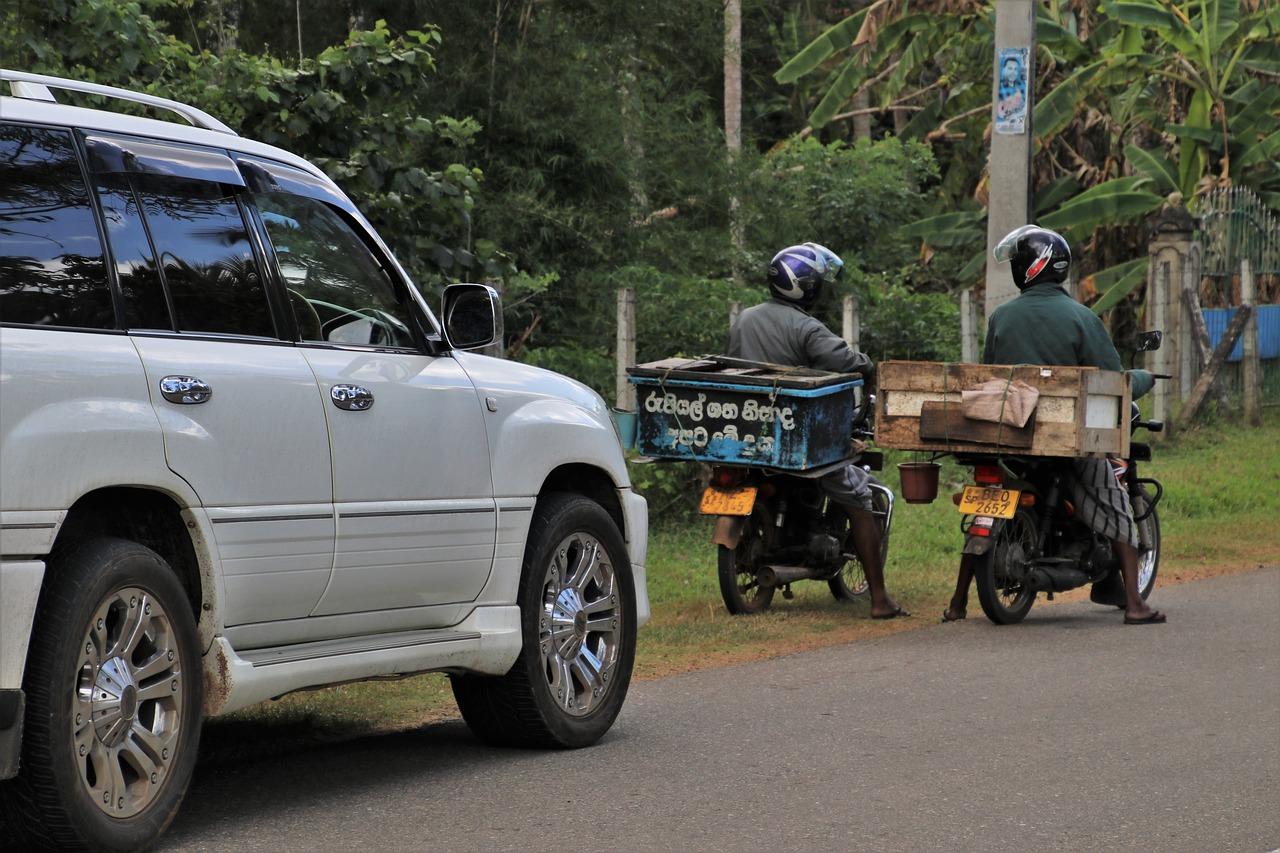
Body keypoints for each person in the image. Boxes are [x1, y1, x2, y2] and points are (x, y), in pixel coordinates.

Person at [942, 225, 1166, 625]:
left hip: (1008, 438)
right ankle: (1134, 603)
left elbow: (993, 374)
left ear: (1028, 268)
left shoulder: (1001, 317)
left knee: (985, 500)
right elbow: (1114, 382)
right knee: (1114, 505)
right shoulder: (1082, 317)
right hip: (1065, 443)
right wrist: (1143, 378)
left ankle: (958, 603)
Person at [728, 242, 907, 619]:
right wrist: (868, 365)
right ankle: (879, 599)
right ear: (806, 287)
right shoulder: (807, 327)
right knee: (858, 496)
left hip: (745, 435)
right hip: (797, 441)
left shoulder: (744, 319)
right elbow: (846, 361)